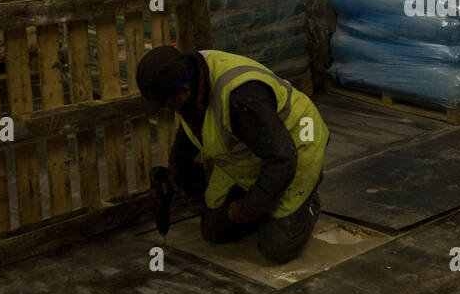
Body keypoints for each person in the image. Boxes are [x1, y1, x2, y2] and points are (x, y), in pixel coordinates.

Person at [136, 45, 328, 264]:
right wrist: (177, 162)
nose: (165, 109)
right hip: (256, 149)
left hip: (296, 145)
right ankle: (268, 204)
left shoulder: (240, 98)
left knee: (276, 248)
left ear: (184, 91)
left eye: (165, 104)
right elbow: (192, 124)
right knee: (215, 230)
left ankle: (308, 201)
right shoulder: (193, 79)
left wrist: (250, 207)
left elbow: (282, 158)